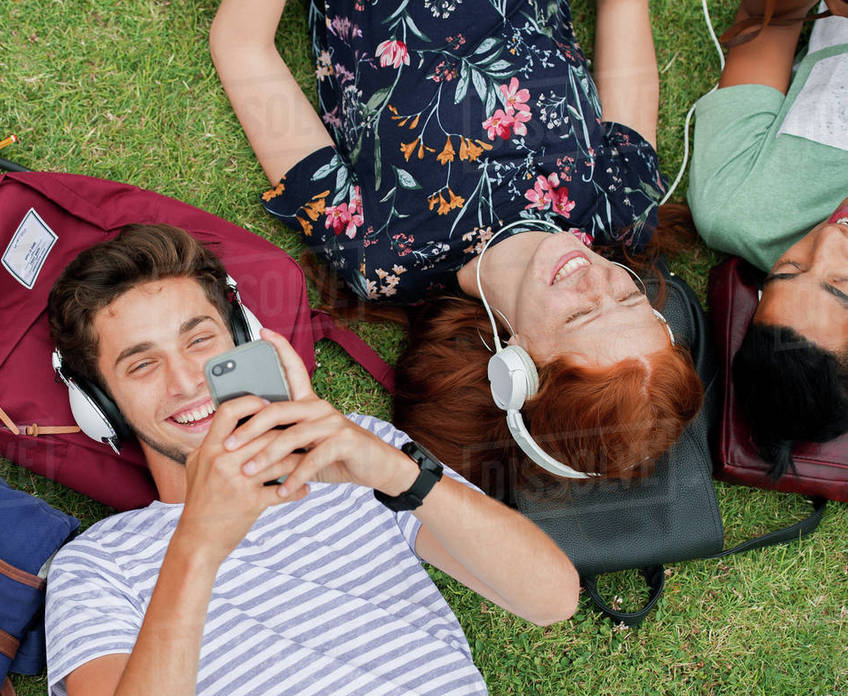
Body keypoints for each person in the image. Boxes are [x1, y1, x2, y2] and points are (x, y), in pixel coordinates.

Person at [42, 223, 579, 696]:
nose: (186, 381)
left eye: (200, 341)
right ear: (101, 405)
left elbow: (551, 599)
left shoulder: (361, 450)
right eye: (141, 365)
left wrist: (394, 471)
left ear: (243, 339)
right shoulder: (94, 567)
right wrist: (197, 546)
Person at [210, 0, 703, 500]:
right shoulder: (622, 212)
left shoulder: (380, 255)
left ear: (517, 368)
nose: (597, 278)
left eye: (580, 316)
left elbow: (243, 48)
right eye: (628, 298)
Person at [687, 1, 848, 473]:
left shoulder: (738, 205)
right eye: (842, 288)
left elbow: (771, 20)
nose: (825, 244)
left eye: (788, 268)